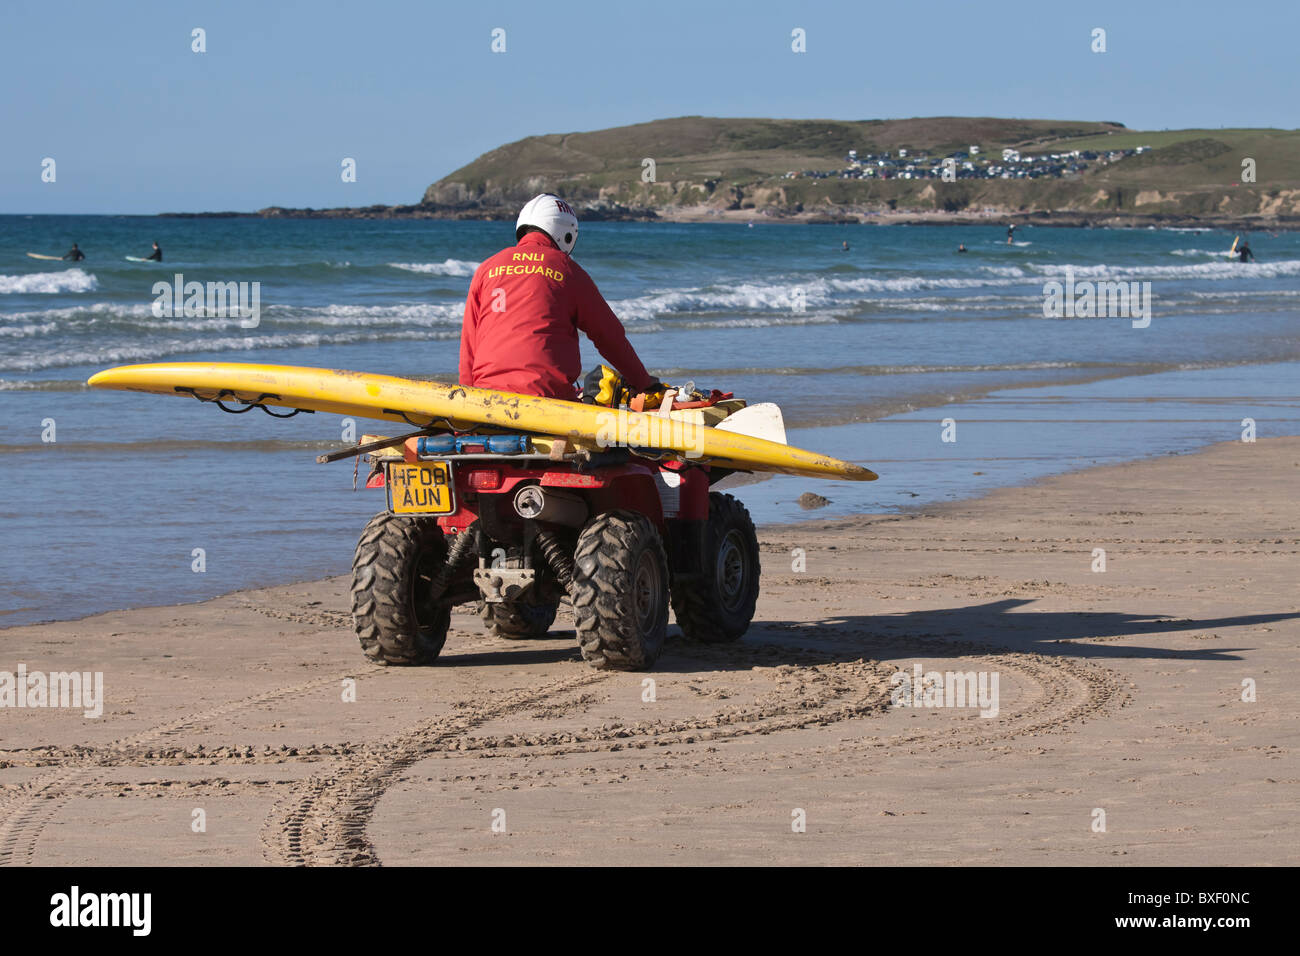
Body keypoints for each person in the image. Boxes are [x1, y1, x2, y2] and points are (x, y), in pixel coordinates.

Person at [459, 193, 656, 401]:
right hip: (548, 399)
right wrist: (643, 382)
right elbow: (608, 335)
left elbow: (469, 345)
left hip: (484, 399)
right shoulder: (566, 269)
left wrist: (466, 403)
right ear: (567, 234)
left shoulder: (487, 268)